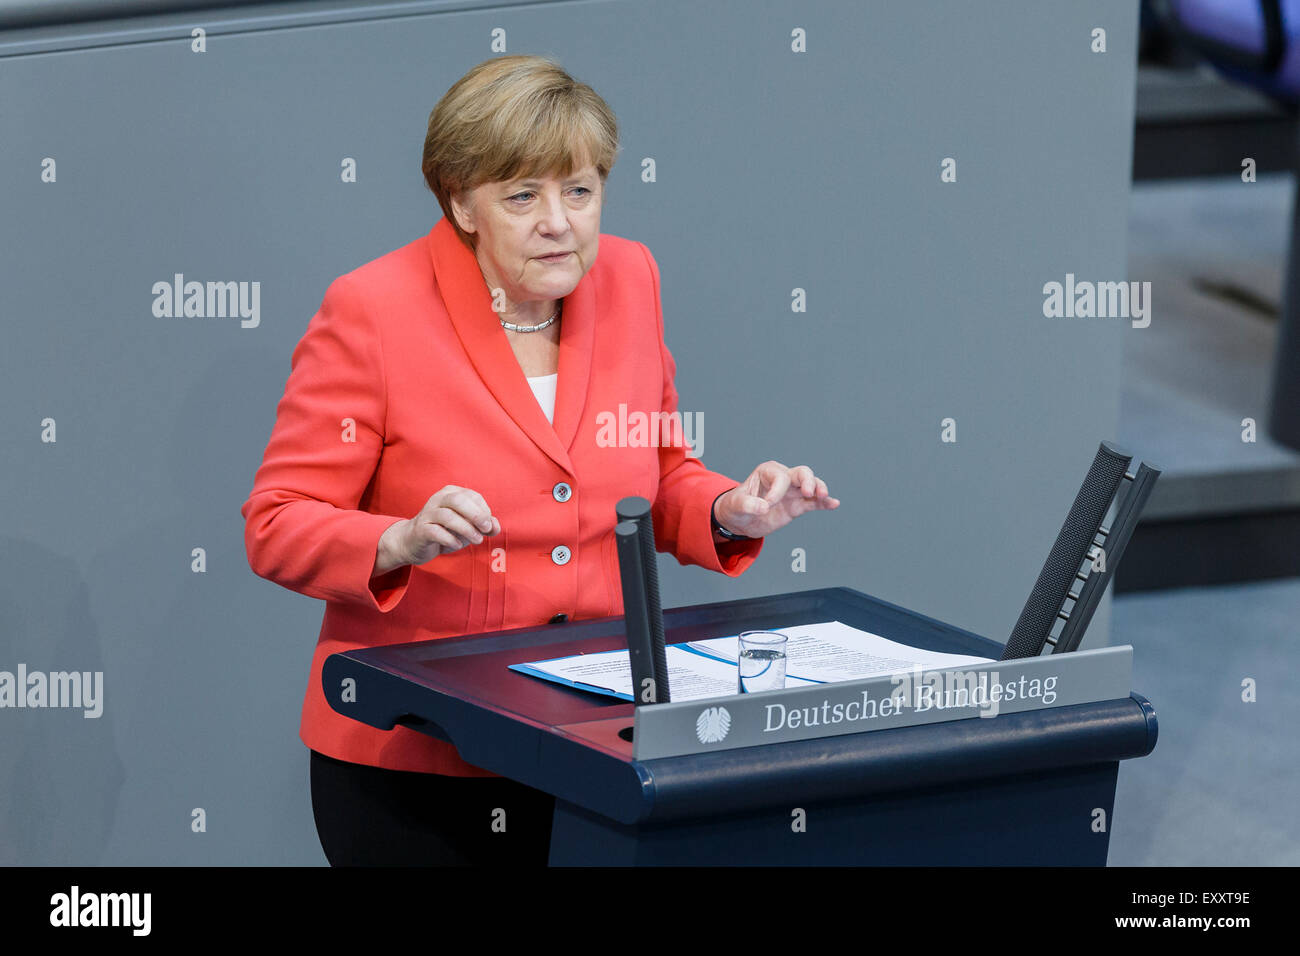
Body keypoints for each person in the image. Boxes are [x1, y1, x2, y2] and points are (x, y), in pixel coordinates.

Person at [241, 53, 840, 867]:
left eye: (580, 191)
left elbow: (656, 473)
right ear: (461, 201)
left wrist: (729, 508)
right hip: (422, 768)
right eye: (523, 195)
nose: (559, 221)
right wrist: (397, 541)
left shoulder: (630, 277)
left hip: (595, 744)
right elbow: (276, 524)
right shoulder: (373, 311)